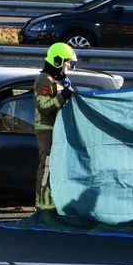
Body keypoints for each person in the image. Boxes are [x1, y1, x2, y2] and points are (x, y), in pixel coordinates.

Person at [34, 42, 77, 210]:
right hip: (46, 129)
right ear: (57, 60)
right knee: (47, 165)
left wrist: (65, 88)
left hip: (56, 128)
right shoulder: (44, 79)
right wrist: (63, 96)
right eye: (66, 62)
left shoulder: (56, 80)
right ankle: (42, 203)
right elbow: (44, 108)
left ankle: (51, 200)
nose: (68, 65)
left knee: (55, 167)